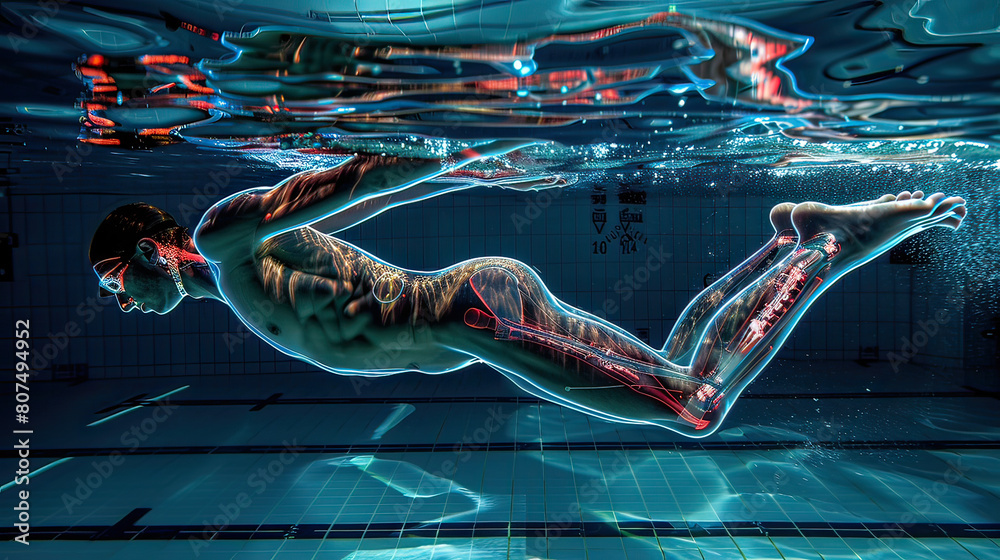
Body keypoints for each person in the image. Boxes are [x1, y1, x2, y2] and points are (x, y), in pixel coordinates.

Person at [89, 141, 967, 436]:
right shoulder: (251, 272)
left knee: (693, 406)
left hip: (473, 318)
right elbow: (354, 217)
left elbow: (355, 179)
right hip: (481, 300)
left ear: (157, 248)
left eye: (117, 278)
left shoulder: (219, 236)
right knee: (675, 373)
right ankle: (788, 242)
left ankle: (827, 248)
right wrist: (474, 174)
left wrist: (455, 156)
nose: (121, 301)